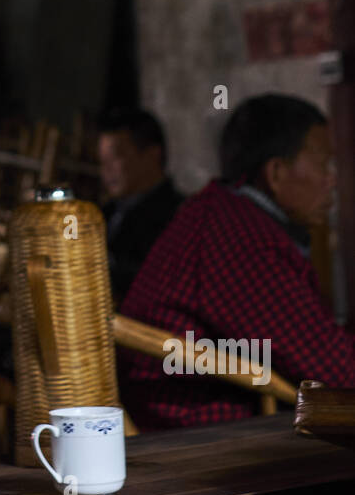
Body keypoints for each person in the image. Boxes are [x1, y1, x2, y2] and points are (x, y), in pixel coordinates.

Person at [117, 93, 353, 430]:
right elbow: (335, 367)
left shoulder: (224, 211)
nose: (331, 179)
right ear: (276, 172)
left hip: (199, 414)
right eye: (323, 164)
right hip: (191, 434)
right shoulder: (239, 235)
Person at [97, 107, 184, 306]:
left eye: (116, 158)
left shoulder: (178, 217)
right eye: (103, 161)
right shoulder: (103, 212)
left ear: (152, 155)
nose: (106, 170)